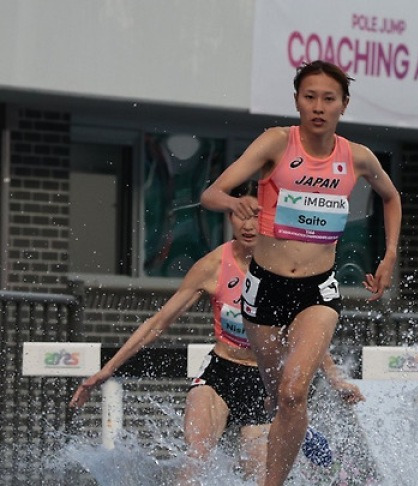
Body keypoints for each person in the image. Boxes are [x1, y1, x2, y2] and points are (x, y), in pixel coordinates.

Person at [67, 188, 364, 485]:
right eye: (239, 216)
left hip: (264, 386)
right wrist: (105, 371)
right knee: (196, 461)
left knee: (258, 473)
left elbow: (307, 337)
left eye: (256, 217)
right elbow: (158, 323)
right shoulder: (213, 266)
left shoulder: (290, 269)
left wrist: (336, 379)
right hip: (220, 374)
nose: (247, 226)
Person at [200, 60, 402, 486]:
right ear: (296, 101)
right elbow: (211, 192)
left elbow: (392, 196)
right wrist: (232, 203)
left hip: (318, 290)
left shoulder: (358, 157)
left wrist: (388, 257)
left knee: (294, 391)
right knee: (281, 398)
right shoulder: (276, 142)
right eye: (309, 97)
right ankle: (303, 445)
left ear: (343, 105)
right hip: (265, 288)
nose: (318, 106)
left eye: (328, 98)